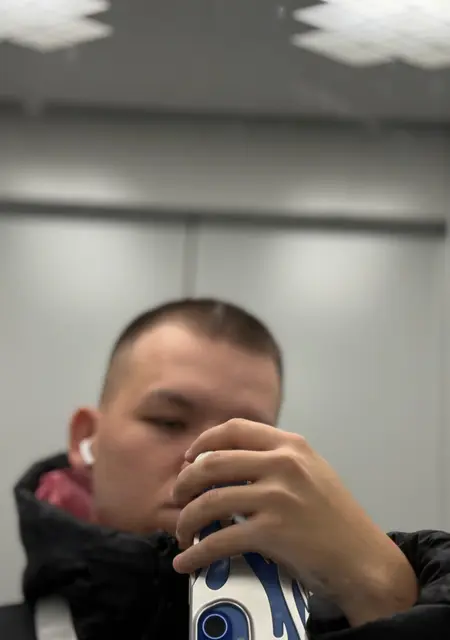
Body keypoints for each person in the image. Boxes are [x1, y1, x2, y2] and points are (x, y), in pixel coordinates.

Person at [2, 298, 450, 639]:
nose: (208, 460)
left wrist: (382, 585)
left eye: (244, 437)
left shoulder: (349, 619)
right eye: (168, 422)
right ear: (86, 437)